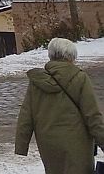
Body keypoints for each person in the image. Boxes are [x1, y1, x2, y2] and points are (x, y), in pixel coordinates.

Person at [16, 37, 104, 173]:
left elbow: (26, 115)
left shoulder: (37, 81)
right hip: (77, 143)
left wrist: (21, 145)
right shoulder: (80, 78)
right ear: (71, 56)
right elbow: (93, 115)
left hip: (48, 144)